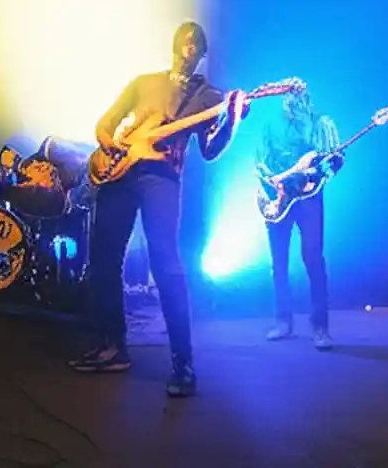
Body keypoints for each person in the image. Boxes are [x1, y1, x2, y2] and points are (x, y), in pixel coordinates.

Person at [69, 21, 248, 398]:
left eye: (197, 42)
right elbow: (106, 123)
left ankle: (183, 362)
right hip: (119, 172)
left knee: (165, 262)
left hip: (161, 177)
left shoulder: (209, 96)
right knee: (103, 260)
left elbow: (211, 150)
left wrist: (231, 120)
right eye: (185, 38)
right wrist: (109, 146)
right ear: (174, 44)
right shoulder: (144, 82)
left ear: (202, 54)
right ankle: (112, 347)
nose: (190, 45)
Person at [256, 86, 341, 349]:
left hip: (308, 198)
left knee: (314, 259)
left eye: (299, 95)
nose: (293, 100)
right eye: (289, 95)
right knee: (278, 263)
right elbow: (258, 160)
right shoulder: (270, 124)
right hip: (277, 197)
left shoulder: (321, 124)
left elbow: (336, 160)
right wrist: (272, 182)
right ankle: (283, 321)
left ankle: (320, 327)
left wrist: (319, 172)